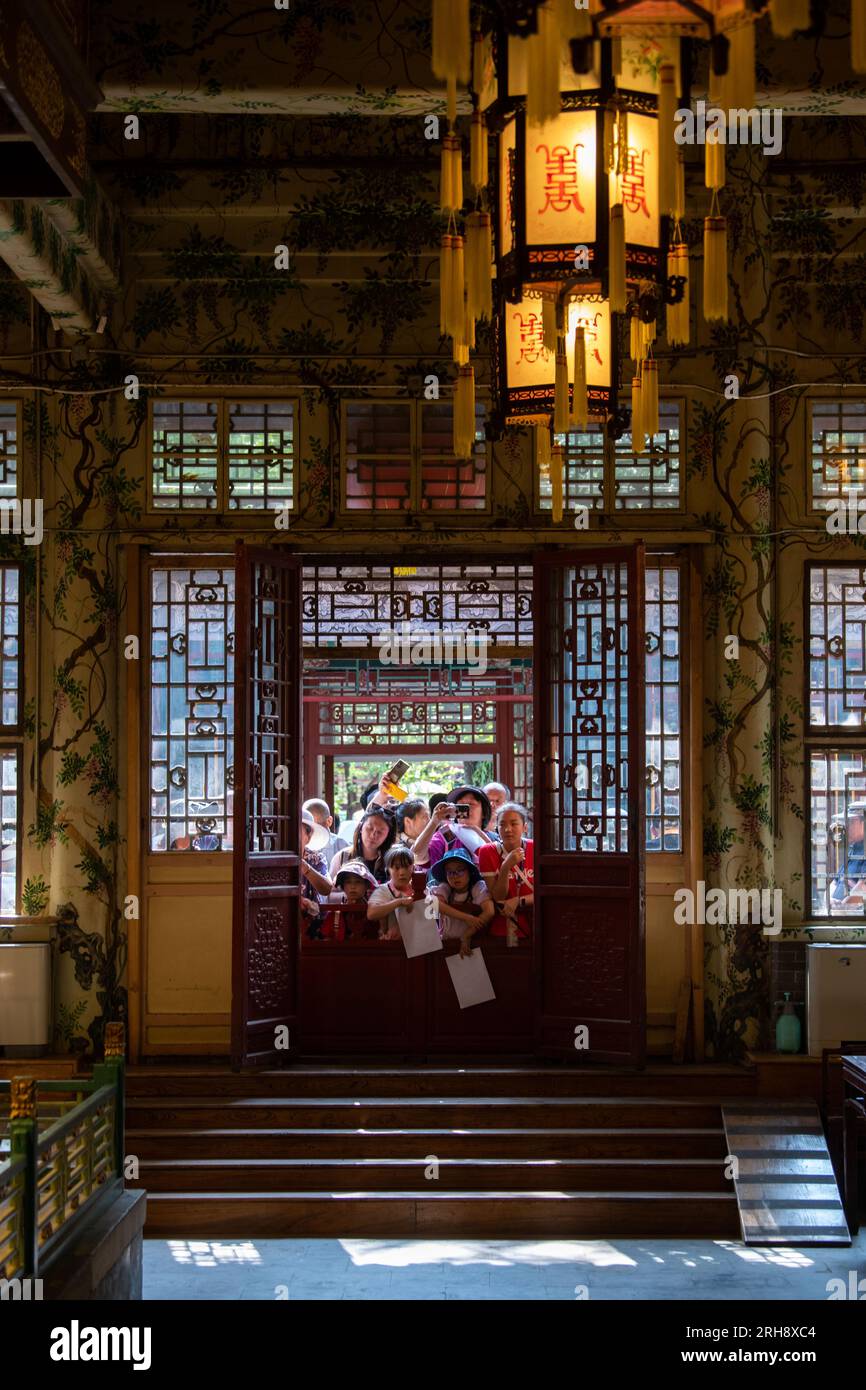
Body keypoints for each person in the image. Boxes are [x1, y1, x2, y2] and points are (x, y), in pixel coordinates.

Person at [478, 802, 534, 944]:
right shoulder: (486, 851)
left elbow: (544, 891)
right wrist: (505, 866)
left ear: (525, 827)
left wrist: (519, 900)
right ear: (497, 828)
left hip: (534, 924)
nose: (508, 829)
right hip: (500, 926)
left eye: (514, 824)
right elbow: (498, 896)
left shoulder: (535, 848)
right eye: (502, 825)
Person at [427, 847, 493, 957]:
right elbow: (434, 904)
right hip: (446, 944)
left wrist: (467, 935)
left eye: (460, 870)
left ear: (469, 871)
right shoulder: (445, 887)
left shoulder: (477, 887)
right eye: (450, 872)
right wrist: (467, 918)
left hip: (474, 945)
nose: (455, 876)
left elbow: (489, 911)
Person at [422, 785, 495, 868]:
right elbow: (418, 857)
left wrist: (477, 831)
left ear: (484, 813)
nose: (465, 809)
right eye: (460, 805)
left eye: (471, 804)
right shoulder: (445, 836)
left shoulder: (493, 838)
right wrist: (434, 822)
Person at [329, 804, 396, 883]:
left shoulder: (392, 860)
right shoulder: (342, 857)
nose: (373, 835)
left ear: (388, 836)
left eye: (380, 832)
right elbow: (329, 892)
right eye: (370, 828)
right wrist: (346, 895)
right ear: (361, 827)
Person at [319, 861, 379, 941]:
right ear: (343, 886)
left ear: (367, 885)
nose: (353, 886)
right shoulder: (334, 916)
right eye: (348, 882)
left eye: (358, 882)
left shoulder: (376, 913)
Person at [367, 845, 416, 940]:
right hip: (392, 948)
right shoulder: (383, 890)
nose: (402, 872)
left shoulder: (420, 889)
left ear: (413, 868)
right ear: (388, 870)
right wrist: (399, 902)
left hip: (418, 946)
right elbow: (371, 913)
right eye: (396, 868)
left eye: (406, 867)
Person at [300, 811, 333, 938]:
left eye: (297, 830)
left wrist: (305, 867)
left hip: (313, 924)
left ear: (308, 836)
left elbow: (327, 888)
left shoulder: (316, 858)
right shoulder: (276, 857)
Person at [303, 798, 347, 866]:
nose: (310, 833)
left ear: (329, 821)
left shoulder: (343, 847)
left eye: (315, 826)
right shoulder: (300, 846)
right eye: (306, 827)